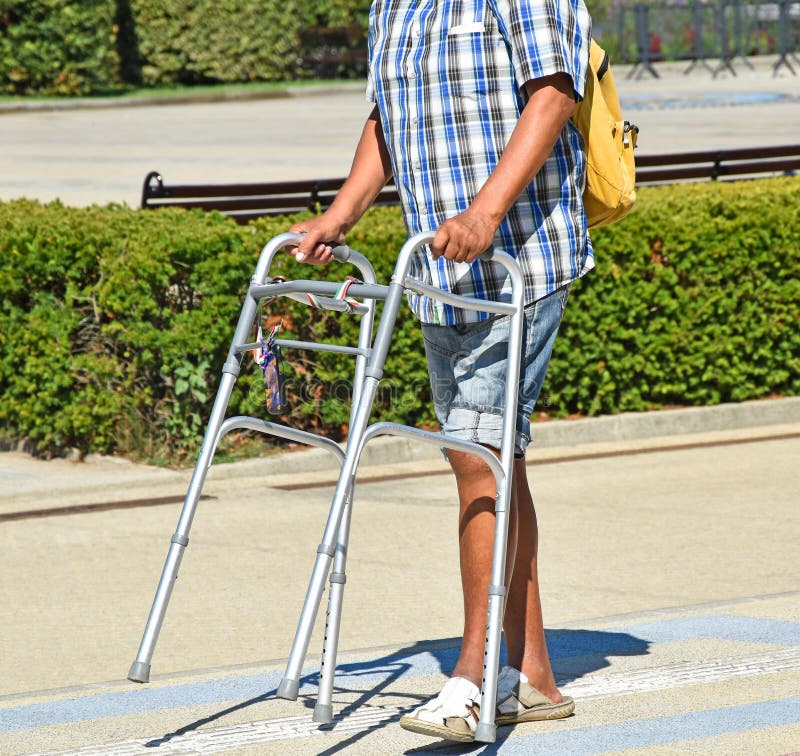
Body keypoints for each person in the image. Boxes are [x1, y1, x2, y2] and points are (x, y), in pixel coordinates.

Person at [289, 0, 592, 743]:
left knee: (474, 454)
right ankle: (537, 678)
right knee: (493, 461)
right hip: (437, 270)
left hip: (518, 256)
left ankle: (477, 671)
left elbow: (554, 92)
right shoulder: (392, 5)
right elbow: (384, 118)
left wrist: (487, 211)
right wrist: (341, 214)